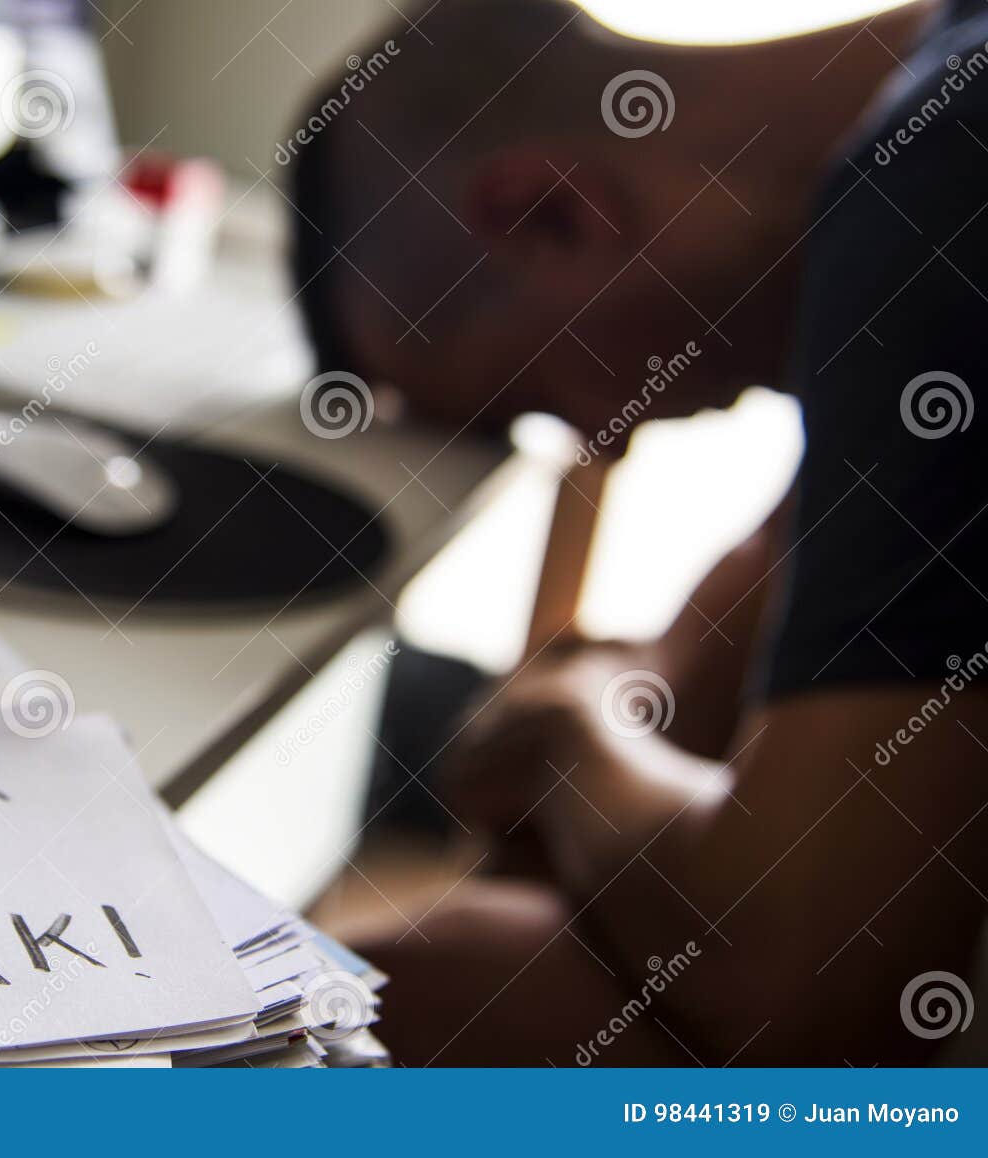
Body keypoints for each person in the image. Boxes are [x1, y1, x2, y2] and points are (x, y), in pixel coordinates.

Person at [290, 0, 988, 1064]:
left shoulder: (936, 191)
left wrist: (571, 734)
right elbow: (755, 602)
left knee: (400, 1004)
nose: (594, 440)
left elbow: (787, 982)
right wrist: (599, 703)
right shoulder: (934, 92)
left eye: (534, 398)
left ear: (551, 212)